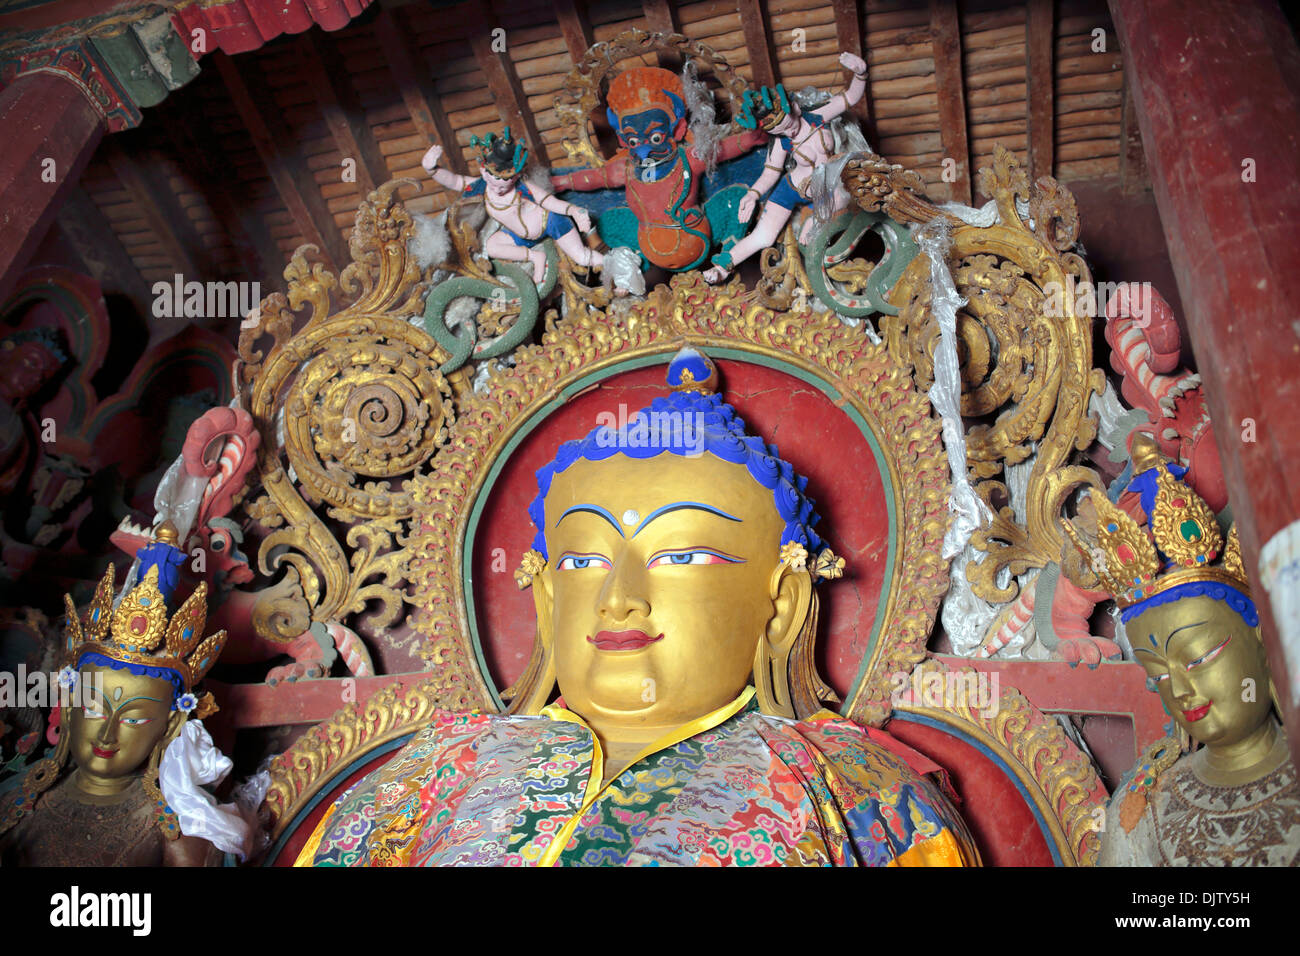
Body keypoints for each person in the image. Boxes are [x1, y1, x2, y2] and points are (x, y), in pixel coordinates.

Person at [297, 349, 977, 866]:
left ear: (783, 603)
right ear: (545, 595)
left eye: (682, 557)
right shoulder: (431, 771)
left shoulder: (862, 792)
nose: (619, 598)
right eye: (583, 561)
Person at [1066, 436, 1300, 865]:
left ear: (1263, 638)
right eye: (1159, 676)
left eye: (1199, 659)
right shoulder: (1146, 806)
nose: (1182, 689)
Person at [703, 52, 867, 284]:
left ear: (795, 109)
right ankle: (723, 266)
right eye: (779, 131)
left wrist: (860, 73)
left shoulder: (817, 117)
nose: (788, 132)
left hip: (825, 190)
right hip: (792, 188)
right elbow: (771, 173)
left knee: (842, 200)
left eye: (788, 124)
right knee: (764, 237)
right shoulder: (782, 142)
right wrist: (752, 194)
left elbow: (851, 97)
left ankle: (819, 229)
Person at [423, 128, 603, 284]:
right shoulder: (481, 186)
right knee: (492, 245)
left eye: (503, 185)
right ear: (483, 173)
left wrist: (573, 211)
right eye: (493, 184)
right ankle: (536, 258)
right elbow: (454, 181)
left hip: (551, 222)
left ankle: (620, 272)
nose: (498, 190)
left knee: (581, 257)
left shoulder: (523, 187)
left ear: (516, 177)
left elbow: (548, 201)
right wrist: (431, 169)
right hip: (520, 236)